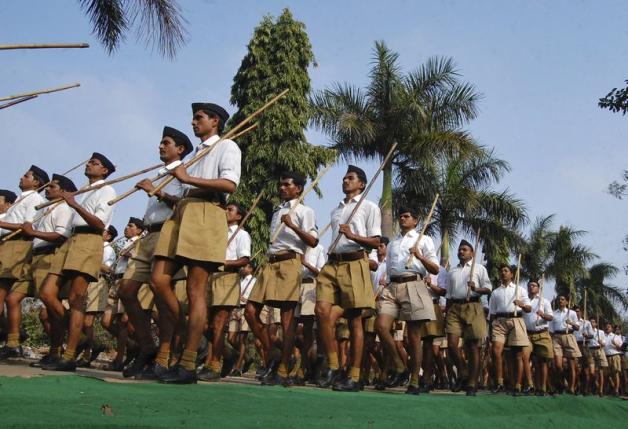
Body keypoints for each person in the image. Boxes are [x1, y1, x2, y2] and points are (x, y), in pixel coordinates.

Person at [151, 102, 240, 384]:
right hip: (182, 212)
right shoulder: (197, 152)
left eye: (198, 118)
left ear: (215, 121)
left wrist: (188, 178)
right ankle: (197, 337)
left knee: (196, 290)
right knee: (159, 281)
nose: (193, 122)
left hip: (206, 212)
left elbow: (229, 185)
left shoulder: (227, 146)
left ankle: (188, 362)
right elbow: (184, 185)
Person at [118, 126, 191, 379]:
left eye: (166, 143)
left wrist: (156, 191)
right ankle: (147, 345)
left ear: (179, 149)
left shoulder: (184, 172)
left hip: (167, 233)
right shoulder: (159, 172)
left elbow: (183, 204)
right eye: (161, 143)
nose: (160, 146)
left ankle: (166, 353)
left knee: (161, 296)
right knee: (125, 290)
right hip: (148, 235)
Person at [39, 152, 117, 371]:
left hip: (88, 241)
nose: (89, 164)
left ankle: (70, 354)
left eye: (95, 163)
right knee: (47, 293)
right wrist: (75, 201)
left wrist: (74, 204)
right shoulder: (84, 191)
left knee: (76, 299)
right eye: (89, 161)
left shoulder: (107, 189)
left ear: (105, 170)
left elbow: (99, 223)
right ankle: (77, 334)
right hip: (71, 241)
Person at [246, 172, 318, 386]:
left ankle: (284, 368)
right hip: (270, 263)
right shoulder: (277, 210)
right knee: (250, 310)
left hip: (290, 262)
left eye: (287, 185)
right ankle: (275, 351)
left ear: (299, 189)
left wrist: (293, 226)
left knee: (287, 321)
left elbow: (313, 240)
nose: (282, 188)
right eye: (281, 184)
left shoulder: (305, 211)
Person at [316, 165, 381, 392]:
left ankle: (354, 375)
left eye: (350, 178)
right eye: (344, 178)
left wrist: (353, 235)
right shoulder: (336, 209)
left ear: (361, 184)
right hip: (332, 263)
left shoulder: (369, 207)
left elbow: (376, 242)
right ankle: (335, 366)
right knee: (322, 310)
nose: (345, 181)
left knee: (355, 320)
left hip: (355, 262)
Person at [1, 174, 73, 362]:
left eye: (53, 187)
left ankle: (56, 350)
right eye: (48, 186)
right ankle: (13, 343)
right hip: (33, 257)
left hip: (49, 256)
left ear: (63, 192)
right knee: (12, 298)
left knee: (49, 305)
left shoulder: (64, 209)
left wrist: (32, 232)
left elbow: (60, 235)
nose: (47, 189)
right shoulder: (43, 209)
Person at [375, 208, 439, 394]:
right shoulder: (393, 243)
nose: (402, 218)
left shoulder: (424, 240)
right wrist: (385, 285)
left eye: (406, 216)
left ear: (416, 221)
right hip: (392, 286)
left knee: (413, 337)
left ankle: (414, 380)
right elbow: (390, 267)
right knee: (381, 326)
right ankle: (399, 366)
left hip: (413, 284)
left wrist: (419, 256)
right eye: (401, 216)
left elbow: (434, 269)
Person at [199, 202, 251, 381]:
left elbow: (244, 259)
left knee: (219, 325)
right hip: (210, 277)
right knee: (204, 324)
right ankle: (229, 354)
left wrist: (226, 262)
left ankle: (213, 365)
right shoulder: (216, 231)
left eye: (230, 210)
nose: (226, 212)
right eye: (225, 209)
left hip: (227, 278)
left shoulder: (242, 235)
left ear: (238, 216)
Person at [0, 166, 48, 357]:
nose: (21, 177)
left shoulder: (36, 199)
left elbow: (26, 226)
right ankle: (12, 339)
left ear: (37, 182)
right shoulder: (23, 198)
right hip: (8, 245)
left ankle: (12, 341)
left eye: (26, 176)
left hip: (17, 246)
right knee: (8, 298)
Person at [445, 239, 492, 395]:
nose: (461, 252)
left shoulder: (479, 268)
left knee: (473, 347)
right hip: (454, 307)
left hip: (473, 305)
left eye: (465, 249)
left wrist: (476, 288)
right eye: (459, 249)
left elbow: (488, 288)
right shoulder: (452, 271)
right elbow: (449, 295)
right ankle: (463, 371)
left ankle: (472, 382)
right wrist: (447, 312)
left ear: (472, 252)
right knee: (451, 345)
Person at [488, 264, 531, 395]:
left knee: (518, 355)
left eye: (506, 271)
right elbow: (492, 313)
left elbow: (529, 309)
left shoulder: (520, 290)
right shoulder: (495, 292)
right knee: (496, 352)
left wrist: (522, 304)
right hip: (499, 321)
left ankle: (517, 385)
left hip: (516, 319)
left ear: (512, 274)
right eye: (501, 271)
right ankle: (500, 383)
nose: (503, 273)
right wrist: (490, 329)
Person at [295, 242, 326, 383]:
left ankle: (308, 370)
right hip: (296, 287)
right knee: (295, 330)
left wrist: (305, 264)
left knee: (309, 330)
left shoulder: (319, 249)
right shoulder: (296, 247)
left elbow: (321, 273)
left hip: (310, 287)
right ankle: (306, 366)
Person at [522, 279, 554, 396]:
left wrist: (543, 315)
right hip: (527, 334)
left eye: (534, 286)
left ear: (538, 288)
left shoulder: (544, 301)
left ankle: (542, 387)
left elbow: (550, 317)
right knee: (524, 357)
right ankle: (529, 385)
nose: (531, 287)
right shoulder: (524, 301)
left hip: (542, 333)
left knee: (542, 362)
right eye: (529, 285)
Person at [419, 263, 448, 392]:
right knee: (411, 343)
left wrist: (431, 285)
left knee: (429, 345)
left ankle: (427, 379)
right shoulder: (417, 267)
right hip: (417, 306)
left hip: (432, 305)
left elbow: (443, 291)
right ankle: (423, 376)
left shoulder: (440, 270)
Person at [549, 295, 581, 394]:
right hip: (557, 337)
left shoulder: (571, 313)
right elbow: (551, 329)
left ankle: (572, 387)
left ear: (567, 302)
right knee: (558, 365)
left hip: (569, 336)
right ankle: (562, 383)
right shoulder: (553, 313)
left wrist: (571, 323)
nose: (560, 301)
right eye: (559, 300)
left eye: (563, 299)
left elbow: (577, 328)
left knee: (572, 365)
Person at [587, 318, 607, 396]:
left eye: (593, 322)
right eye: (590, 322)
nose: (592, 323)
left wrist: (600, 342)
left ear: (596, 324)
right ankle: (597, 384)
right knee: (592, 372)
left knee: (601, 372)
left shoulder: (601, 332)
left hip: (599, 350)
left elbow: (604, 343)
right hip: (590, 351)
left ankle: (601, 390)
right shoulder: (587, 332)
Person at [604, 323, 623, 396]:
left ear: (612, 328)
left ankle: (616, 390)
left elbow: (621, 348)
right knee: (607, 374)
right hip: (606, 356)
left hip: (615, 355)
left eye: (608, 327)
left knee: (615, 373)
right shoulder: (604, 336)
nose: (607, 328)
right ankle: (612, 387)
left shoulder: (616, 336)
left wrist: (615, 344)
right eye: (606, 327)